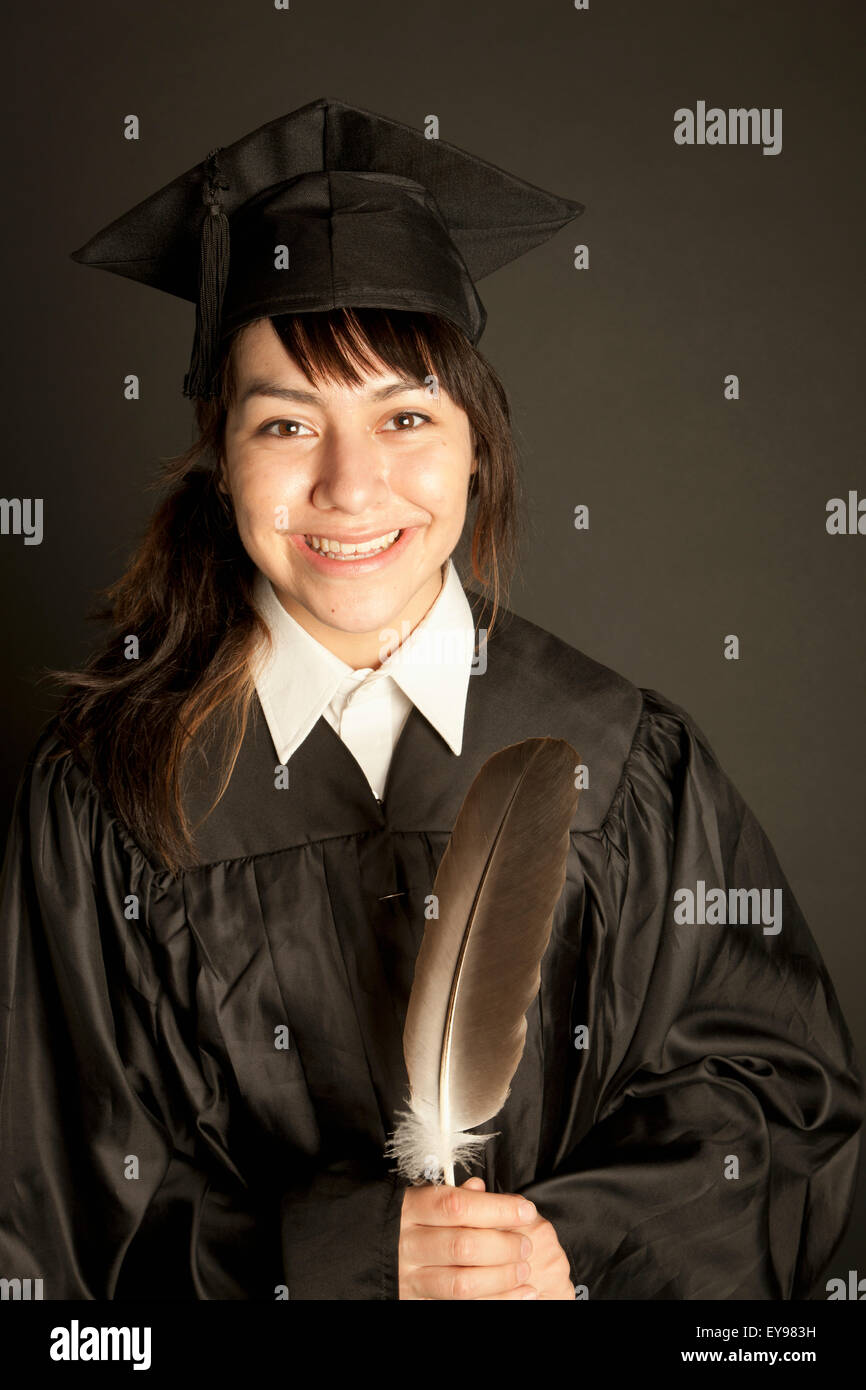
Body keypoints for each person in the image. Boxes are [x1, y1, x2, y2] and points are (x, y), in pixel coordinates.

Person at [0, 98, 861, 1301]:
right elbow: (46, 1228)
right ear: (221, 459)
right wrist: (337, 1261)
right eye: (287, 423)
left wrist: (564, 1247)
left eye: (404, 416)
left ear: (476, 447)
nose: (350, 487)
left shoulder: (622, 759)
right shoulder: (108, 798)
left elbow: (782, 1118)